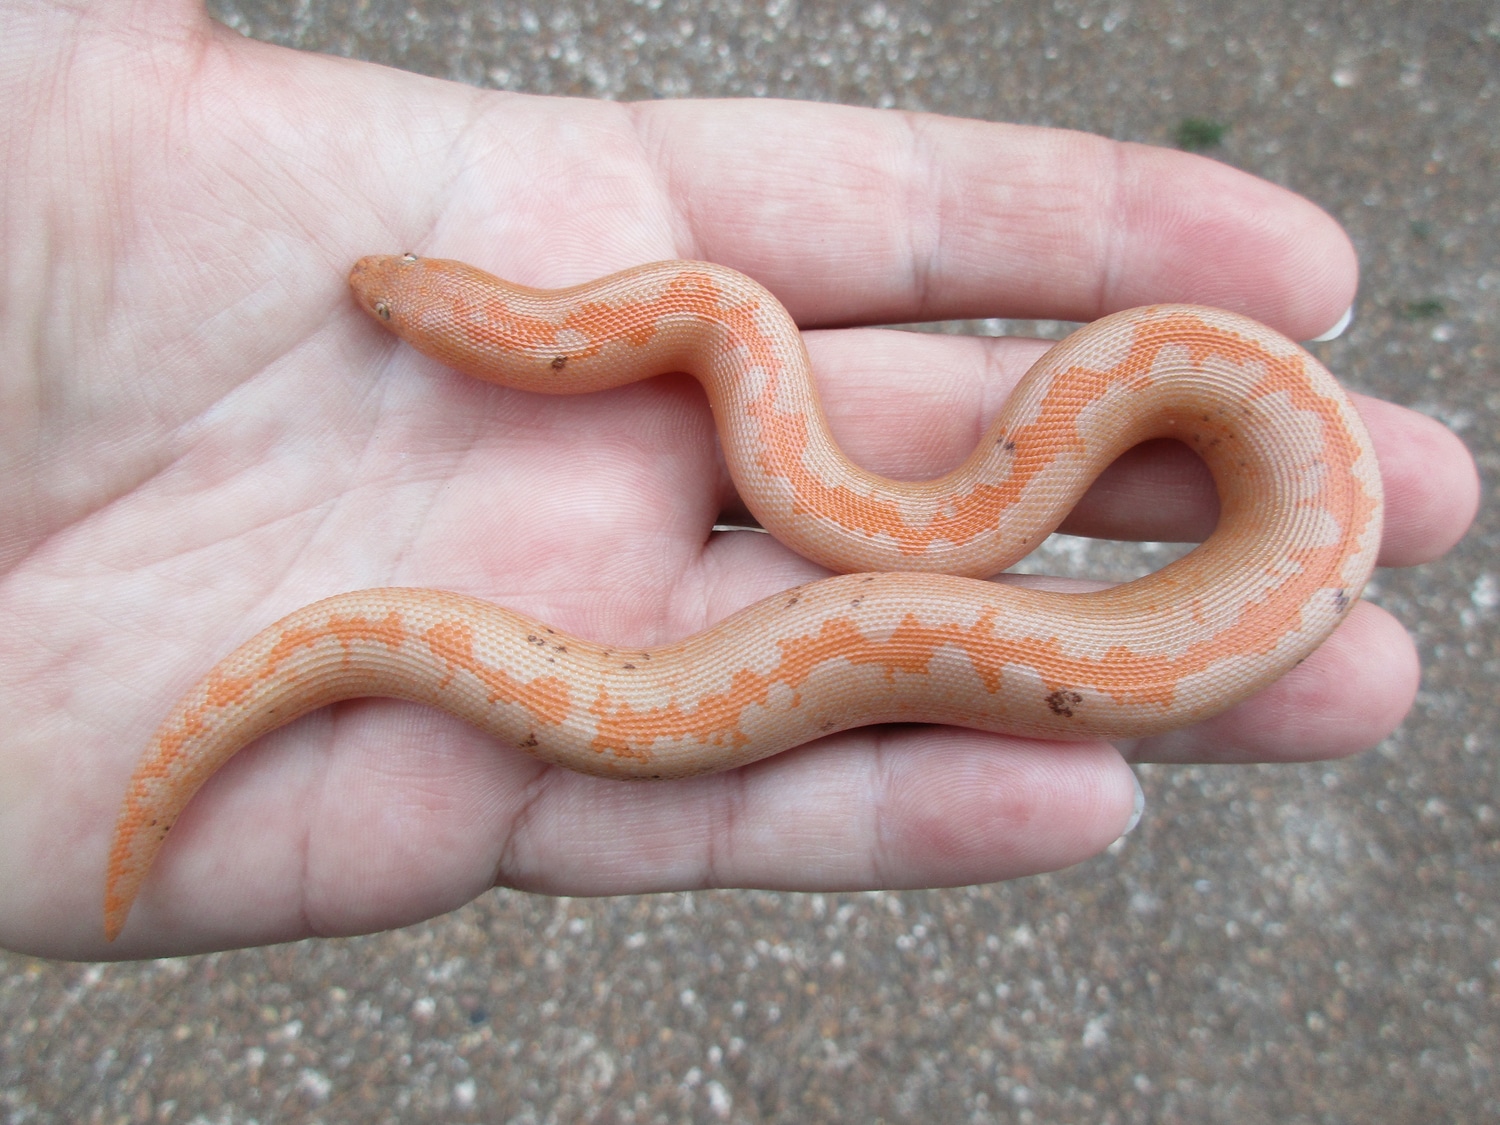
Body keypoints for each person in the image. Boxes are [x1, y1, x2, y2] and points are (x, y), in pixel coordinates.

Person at [0, 0, 1477, 960]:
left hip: (1244, 504)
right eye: (402, 307)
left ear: (535, 348)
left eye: (406, 304)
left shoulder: (726, 330)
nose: (378, 297)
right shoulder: (716, 322)